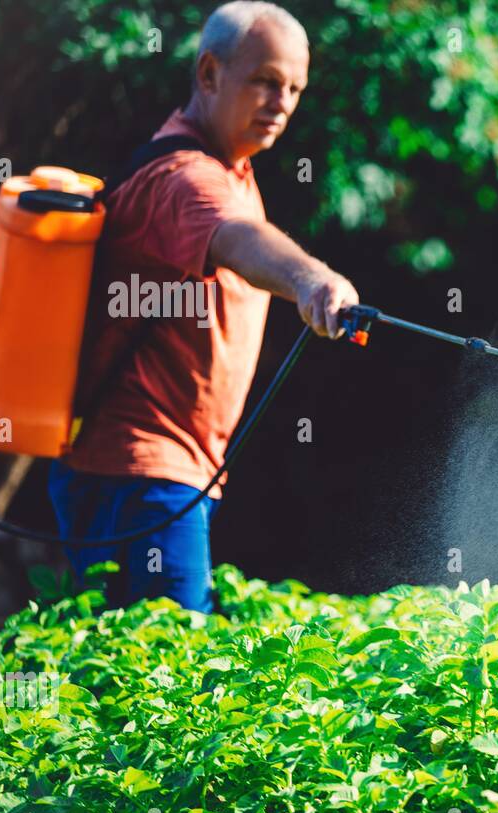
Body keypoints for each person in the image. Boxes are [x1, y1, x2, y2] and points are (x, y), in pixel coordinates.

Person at [48, 1, 358, 612]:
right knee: (165, 680)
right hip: (142, 472)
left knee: (133, 672)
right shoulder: (184, 178)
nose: (282, 101)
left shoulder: (230, 168)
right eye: (265, 80)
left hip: (156, 473)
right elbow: (237, 239)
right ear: (210, 74)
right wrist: (312, 279)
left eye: (294, 87)